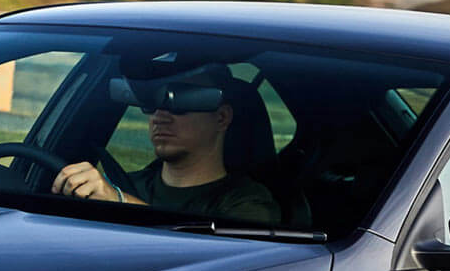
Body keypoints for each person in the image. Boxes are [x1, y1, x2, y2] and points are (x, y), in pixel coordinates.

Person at [50, 66, 280, 224]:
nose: (160, 115)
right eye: (153, 103)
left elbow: (219, 266)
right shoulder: (124, 184)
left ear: (221, 118)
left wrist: (118, 202)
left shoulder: (248, 204)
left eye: (180, 101)